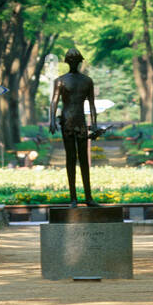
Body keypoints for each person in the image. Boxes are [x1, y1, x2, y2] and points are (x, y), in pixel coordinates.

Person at [49, 48, 97, 206]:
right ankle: (73, 198)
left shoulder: (87, 81)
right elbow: (54, 102)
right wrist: (52, 120)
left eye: (76, 60)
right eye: (72, 60)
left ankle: (88, 197)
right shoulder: (60, 81)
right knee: (71, 159)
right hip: (67, 122)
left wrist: (95, 125)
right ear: (68, 62)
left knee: (83, 160)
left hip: (80, 122)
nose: (74, 62)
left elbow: (91, 104)